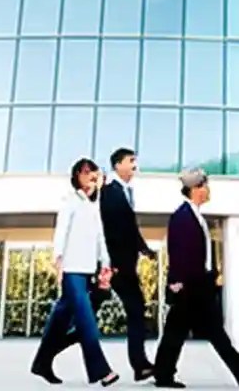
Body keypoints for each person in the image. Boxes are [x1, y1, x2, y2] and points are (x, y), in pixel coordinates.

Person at [152, 169, 239, 389]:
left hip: (200, 284)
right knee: (186, 332)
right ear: (195, 189)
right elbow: (177, 251)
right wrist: (177, 281)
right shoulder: (182, 216)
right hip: (189, 285)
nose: (208, 190)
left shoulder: (195, 216)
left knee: (204, 332)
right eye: (205, 186)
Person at [31, 158, 119, 387]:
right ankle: (101, 370)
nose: (91, 176)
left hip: (87, 270)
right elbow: (61, 231)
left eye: (93, 172)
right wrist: (57, 260)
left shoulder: (94, 206)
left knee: (60, 320)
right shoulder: (70, 201)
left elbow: (100, 238)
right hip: (71, 270)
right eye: (86, 172)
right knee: (85, 320)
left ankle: (42, 362)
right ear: (77, 177)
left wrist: (106, 263)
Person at [98, 147, 158, 381]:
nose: (135, 165)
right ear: (117, 164)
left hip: (124, 264)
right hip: (116, 266)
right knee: (136, 309)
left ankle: (48, 353)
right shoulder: (109, 192)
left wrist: (144, 249)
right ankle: (140, 365)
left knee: (83, 314)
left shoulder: (124, 192)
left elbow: (130, 227)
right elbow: (110, 231)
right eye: (131, 160)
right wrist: (111, 264)